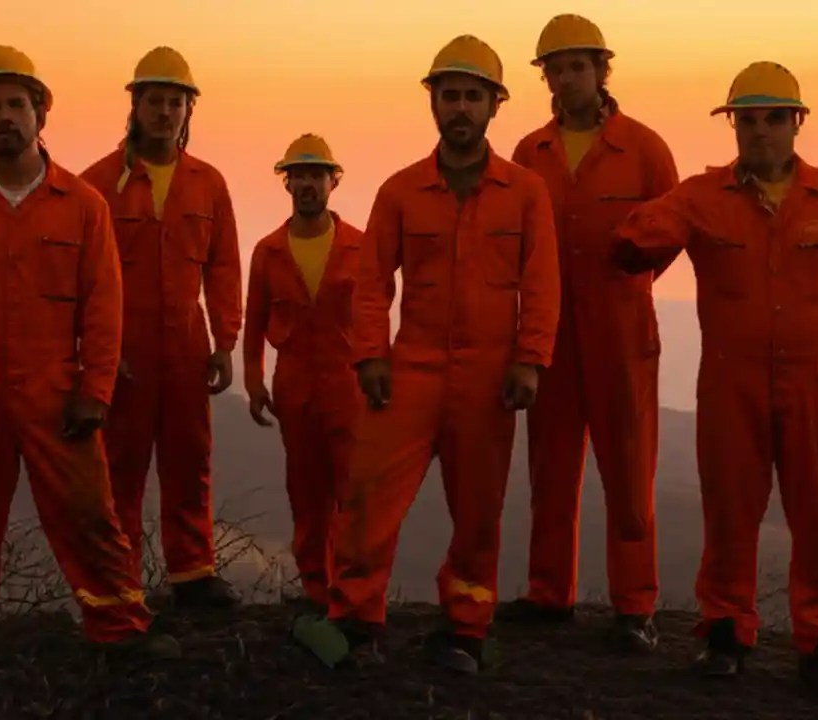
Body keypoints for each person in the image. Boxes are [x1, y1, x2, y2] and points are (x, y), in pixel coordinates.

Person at [0, 45, 180, 681]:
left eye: (16, 104)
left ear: (40, 113)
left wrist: (96, 390)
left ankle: (119, 626)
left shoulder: (82, 205)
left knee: (89, 512)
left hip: (57, 390)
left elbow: (104, 309)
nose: (5, 117)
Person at [613, 61, 818, 699]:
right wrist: (648, 233)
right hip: (729, 383)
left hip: (814, 383)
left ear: (796, 123)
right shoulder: (702, 196)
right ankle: (725, 635)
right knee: (730, 511)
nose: (759, 131)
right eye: (747, 119)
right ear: (732, 125)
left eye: (772, 118)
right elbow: (635, 238)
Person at [293, 35, 561, 675]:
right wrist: (370, 355)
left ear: (495, 105)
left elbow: (542, 282)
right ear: (433, 103)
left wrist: (530, 360)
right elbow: (371, 283)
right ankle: (356, 619)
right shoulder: (401, 190)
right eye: (449, 95)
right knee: (369, 494)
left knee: (478, 508)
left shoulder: (524, 192)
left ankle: (465, 626)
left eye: (472, 95)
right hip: (409, 368)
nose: (460, 107)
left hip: (490, 374)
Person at [502, 13, 680, 651]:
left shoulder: (645, 148)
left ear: (602, 70)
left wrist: (629, 281)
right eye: (556, 66)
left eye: (579, 65)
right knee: (550, 468)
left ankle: (635, 607)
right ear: (544, 75)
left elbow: (669, 230)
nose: (567, 76)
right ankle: (550, 593)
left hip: (622, 332)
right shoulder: (530, 153)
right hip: (548, 333)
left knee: (629, 472)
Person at [81, 46, 243, 609]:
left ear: (189, 110)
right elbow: (80, 279)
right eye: (155, 101)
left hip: (186, 340)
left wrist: (226, 341)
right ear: (135, 105)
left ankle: (193, 573)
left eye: (176, 102)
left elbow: (223, 265)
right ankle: (119, 581)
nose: (165, 112)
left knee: (189, 457)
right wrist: (92, 353)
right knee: (120, 466)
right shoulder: (98, 183)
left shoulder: (209, 183)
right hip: (121, 343)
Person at [242, 134, 363, 612]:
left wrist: (384, 376)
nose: (307, 184)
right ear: (286, 182)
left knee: (353, 492)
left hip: (348, 384)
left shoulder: (359, 245)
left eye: (316, 175)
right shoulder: (268, 251)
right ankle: (317, 587)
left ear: (333, 182)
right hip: (294, 387)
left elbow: (377, 316)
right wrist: (252, 380)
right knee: (306, 493)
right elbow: (253, 322)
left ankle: (354, 589)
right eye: (299, 176)